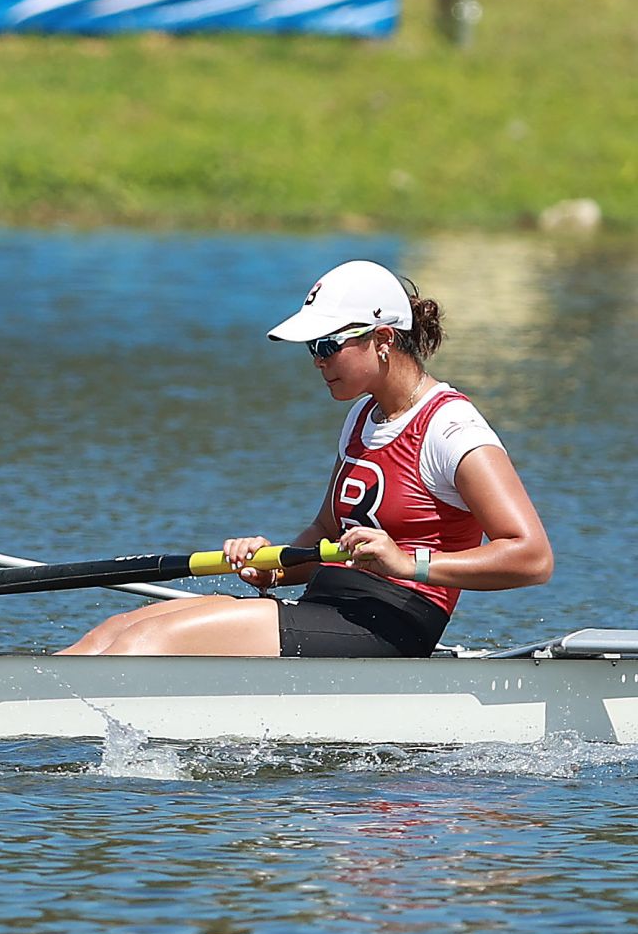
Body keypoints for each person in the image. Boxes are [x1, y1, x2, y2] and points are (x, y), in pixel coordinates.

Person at [61, 260, 552, 657]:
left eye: (327, 346)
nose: (317, 361)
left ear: (382, 340)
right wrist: (270, 566)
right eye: (312, 349)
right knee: (115, 630)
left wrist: (408, 564)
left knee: (148, 643)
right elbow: (323, 536)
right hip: (328, 607)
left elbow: (532, 557)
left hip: (394, 625)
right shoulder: (363, 417)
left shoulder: (451, 429)